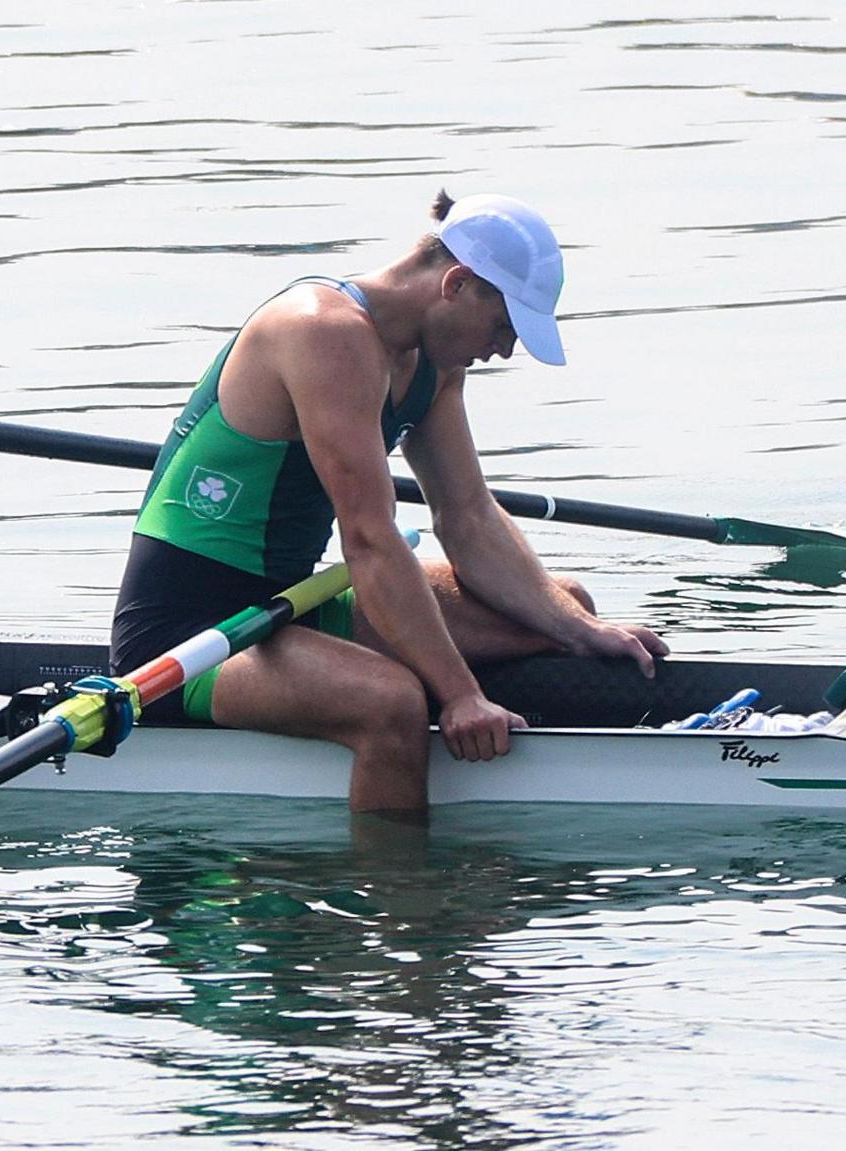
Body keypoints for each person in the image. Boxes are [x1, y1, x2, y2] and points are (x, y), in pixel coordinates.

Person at [112, 191, 668, 813]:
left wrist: (584, 632)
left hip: (286, 606)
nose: (506, 350)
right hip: (187, 638)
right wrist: (457, 693)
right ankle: (401, 896)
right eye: (504, 326)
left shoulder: (431, 361)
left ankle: (462, 759)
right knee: (391, 701)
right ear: (457, 284)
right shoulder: (323, 332)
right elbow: (370, 539)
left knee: (562, 607)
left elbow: (468, 515)